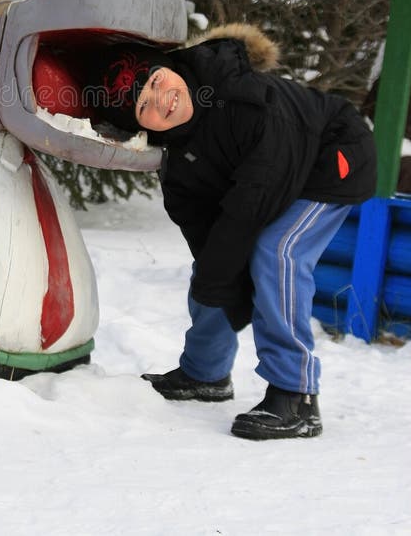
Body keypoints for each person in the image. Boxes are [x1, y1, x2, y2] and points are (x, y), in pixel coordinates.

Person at [87, 24, 376, 440]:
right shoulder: (179, 170)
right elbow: (212, 244)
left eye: (155, 81)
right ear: (141, 126)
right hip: (272, 181)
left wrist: (230, 278)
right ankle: (205, 374)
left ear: (168, 67)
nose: (161, 100)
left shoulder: (243, 99)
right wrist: (217, 285)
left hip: (333, 156)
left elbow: (256, 200)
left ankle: (296, 394)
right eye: (143, 106)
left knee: (278, 252)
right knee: (212, 266)